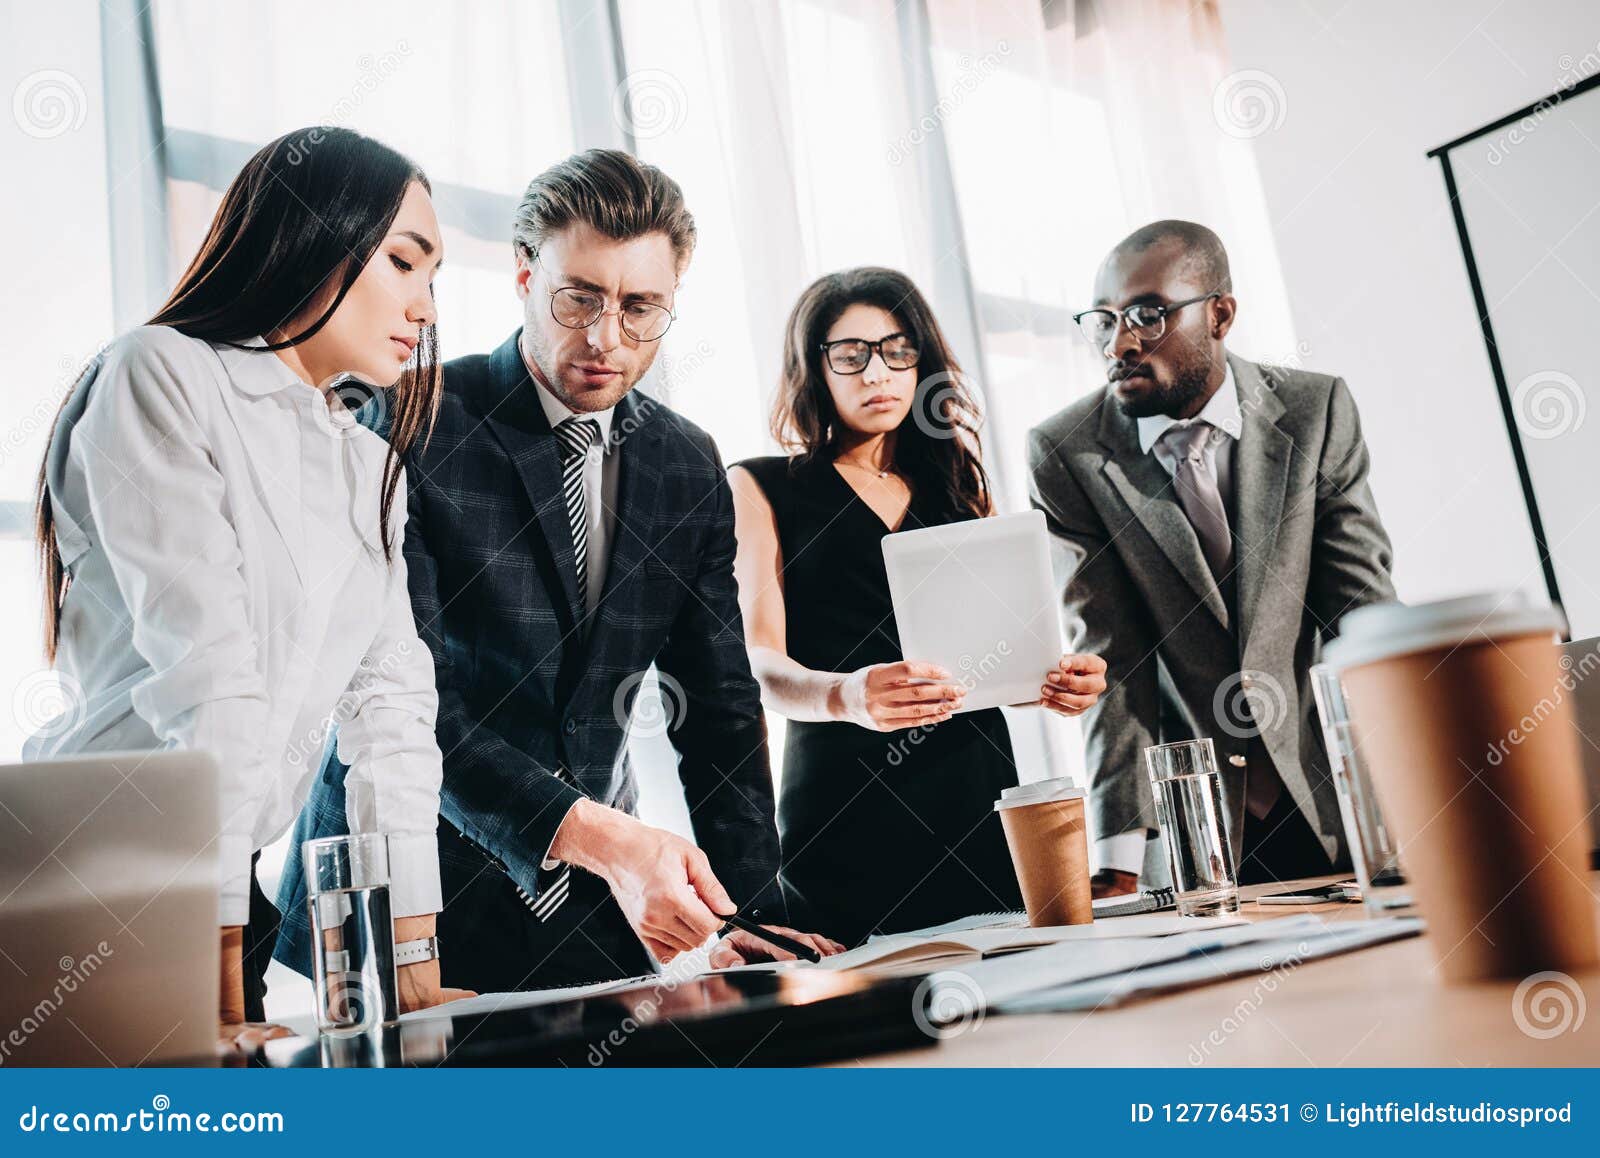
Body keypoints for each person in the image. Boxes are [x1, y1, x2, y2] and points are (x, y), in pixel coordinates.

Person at [278, 149, 841, 991]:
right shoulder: (408, 423)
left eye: (641, 307)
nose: (606, 338)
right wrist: (609, 843)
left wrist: (751, 911)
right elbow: (407, 703)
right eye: (578, 298)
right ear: (522, 276)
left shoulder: (686, 462)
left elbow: (720, 707)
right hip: (402, 889)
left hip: (590, 903)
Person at [28, 127, 471, 1050]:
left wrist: (414, 969)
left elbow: (393, 713)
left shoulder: (367, 464)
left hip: (225, 900)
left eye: (434, 277)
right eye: (403, 262)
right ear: (317, 233)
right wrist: (219, 1004)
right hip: (83, 888)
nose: (425, 308)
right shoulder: (159, 371)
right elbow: (212, 688)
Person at [729, 267, 1109, 946]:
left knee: (1009, 992)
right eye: (852, 354)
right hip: (843, 807)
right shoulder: (760, 485)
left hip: (977, 798)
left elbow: (994, 663)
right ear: (814, 368)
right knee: (868, 1002)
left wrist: (1055, 682)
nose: (878, 373)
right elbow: (757, 663)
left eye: (897, 351)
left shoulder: (958, 487)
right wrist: (847, 695)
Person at [1027, 220, 1396, 893]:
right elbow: (1112, 655)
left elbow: (1361, 611)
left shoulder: (1315, 410)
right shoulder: (1067, 452)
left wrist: (1417, 779)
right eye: (1102, 321)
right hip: (1196, 822)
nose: (1119, 343)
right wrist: (1118, 857)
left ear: (1220, 314)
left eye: (1147, 315)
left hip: (1336, 790)